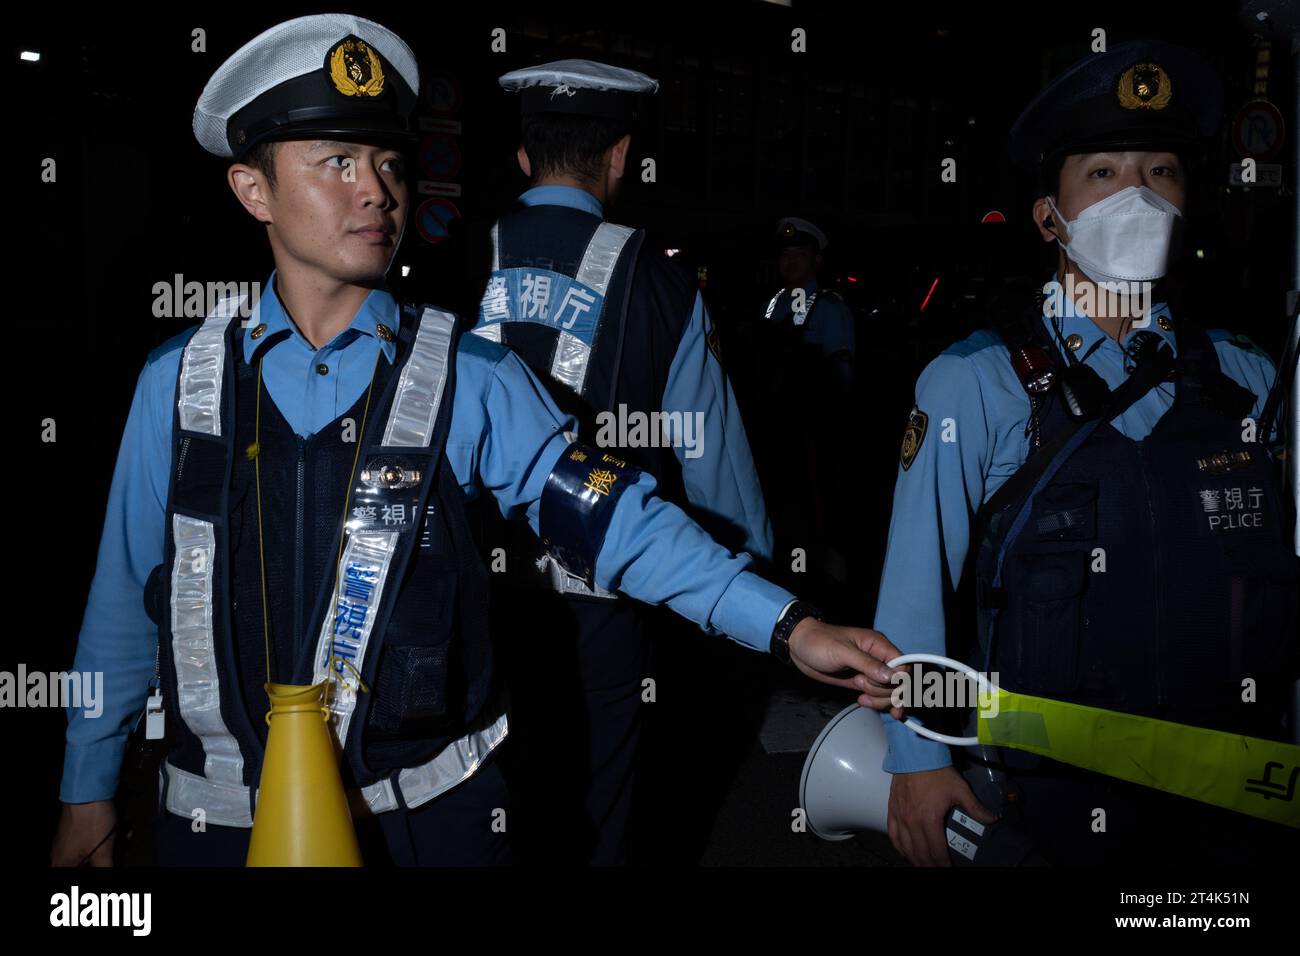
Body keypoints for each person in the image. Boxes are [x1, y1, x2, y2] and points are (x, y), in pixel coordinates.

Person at [48, 13, 905, 868]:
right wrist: (86, 788)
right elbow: (124, 597)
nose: (376, 189)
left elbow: (618, 523)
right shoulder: (180, 382)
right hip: (215, 828)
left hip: (429, 823)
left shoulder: (474, 377)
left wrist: (789, 625)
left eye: (388, 162)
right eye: (337, 162)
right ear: (253, 191)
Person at [874, 39, 1299, 866]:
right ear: (1048, 216)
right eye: (1103, 174)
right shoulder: (975, 383)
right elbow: (915, 591)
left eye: (1162, 174)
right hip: (1046, 797)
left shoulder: (1250, 378)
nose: (1137, 196)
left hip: (1230, 787)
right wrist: (918, 758)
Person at [466, 59, 773, 864]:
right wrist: (747, 586)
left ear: (524, 159)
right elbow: (715, 470)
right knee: (595, 806)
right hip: (603, 599)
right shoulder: (665, 284)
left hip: (459, 600)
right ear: (621, 156)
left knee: (475, 799)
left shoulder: (449, 262)